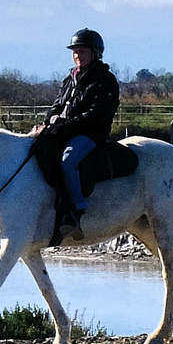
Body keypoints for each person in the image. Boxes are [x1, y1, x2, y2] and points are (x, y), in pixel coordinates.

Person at [37, 28, 120, 238]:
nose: (77, 55)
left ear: (95, 53)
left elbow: (95, 115)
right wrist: (47, 122)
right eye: (75, 51)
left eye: (82, 51)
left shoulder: (104, 80)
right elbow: (57, 105)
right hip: (64, 131)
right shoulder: (69, 79)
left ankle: (76, 208)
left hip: (91, 134)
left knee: (68, 161)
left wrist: (62, 126)